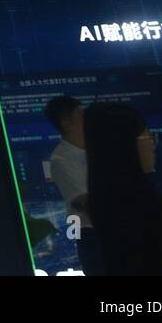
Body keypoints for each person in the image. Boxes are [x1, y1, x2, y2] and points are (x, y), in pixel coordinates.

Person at [85, 102, 162, 276]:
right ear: (128, 146)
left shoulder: (99, 201)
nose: (153, 145)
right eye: (148, 137)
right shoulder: (150, 205)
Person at [44, 95, 100, 275]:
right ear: (66, 123)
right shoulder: (60, 159)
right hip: (93, 235)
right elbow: (83, 201)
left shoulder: (95, 147)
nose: (86, 117)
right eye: (80, 113)